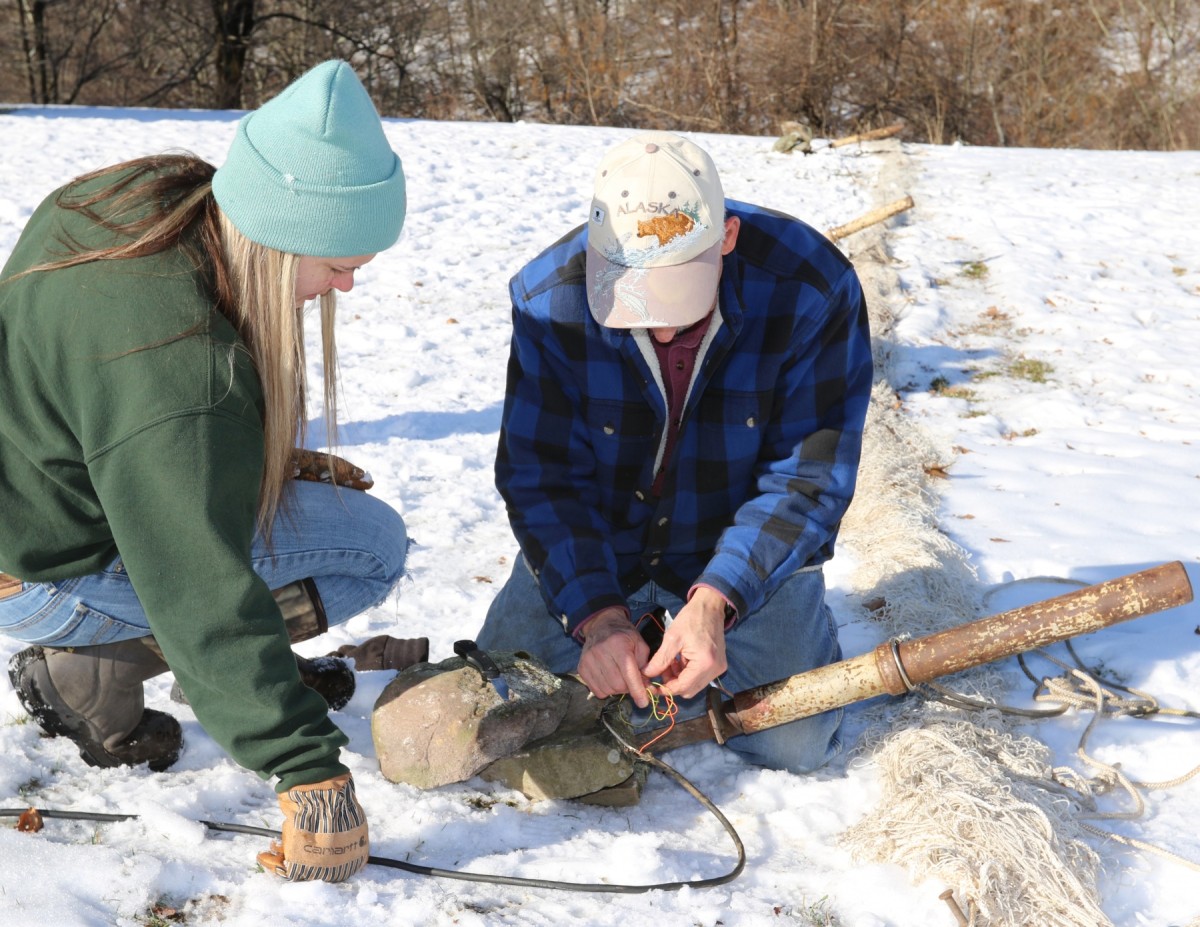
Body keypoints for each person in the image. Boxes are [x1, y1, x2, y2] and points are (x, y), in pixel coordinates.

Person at [0, 60, 414, 882]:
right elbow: (201, 587)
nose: (349, 281)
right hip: (45, 571)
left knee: (330, 533)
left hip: (36, 507)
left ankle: (172, 666)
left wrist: (256, 452)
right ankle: (109, 664)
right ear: (279, 231)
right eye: (335, 263)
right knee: (372, 548)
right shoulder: (182, 374)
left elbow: (103, 405)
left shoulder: (147, 196)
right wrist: (309, 772)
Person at [476, 131, 873, 773]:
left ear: (728, 239)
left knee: (794, 745)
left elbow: (808, 477)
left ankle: (770, 628)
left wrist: (718, 597)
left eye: (678, 297)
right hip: (601, 541)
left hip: (736, 543)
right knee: (495, 706)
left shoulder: (811, 289)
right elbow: (540, 476)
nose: (659, 326)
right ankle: (628, 621)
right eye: (633, 297)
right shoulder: (550, 298)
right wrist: (596, 616)